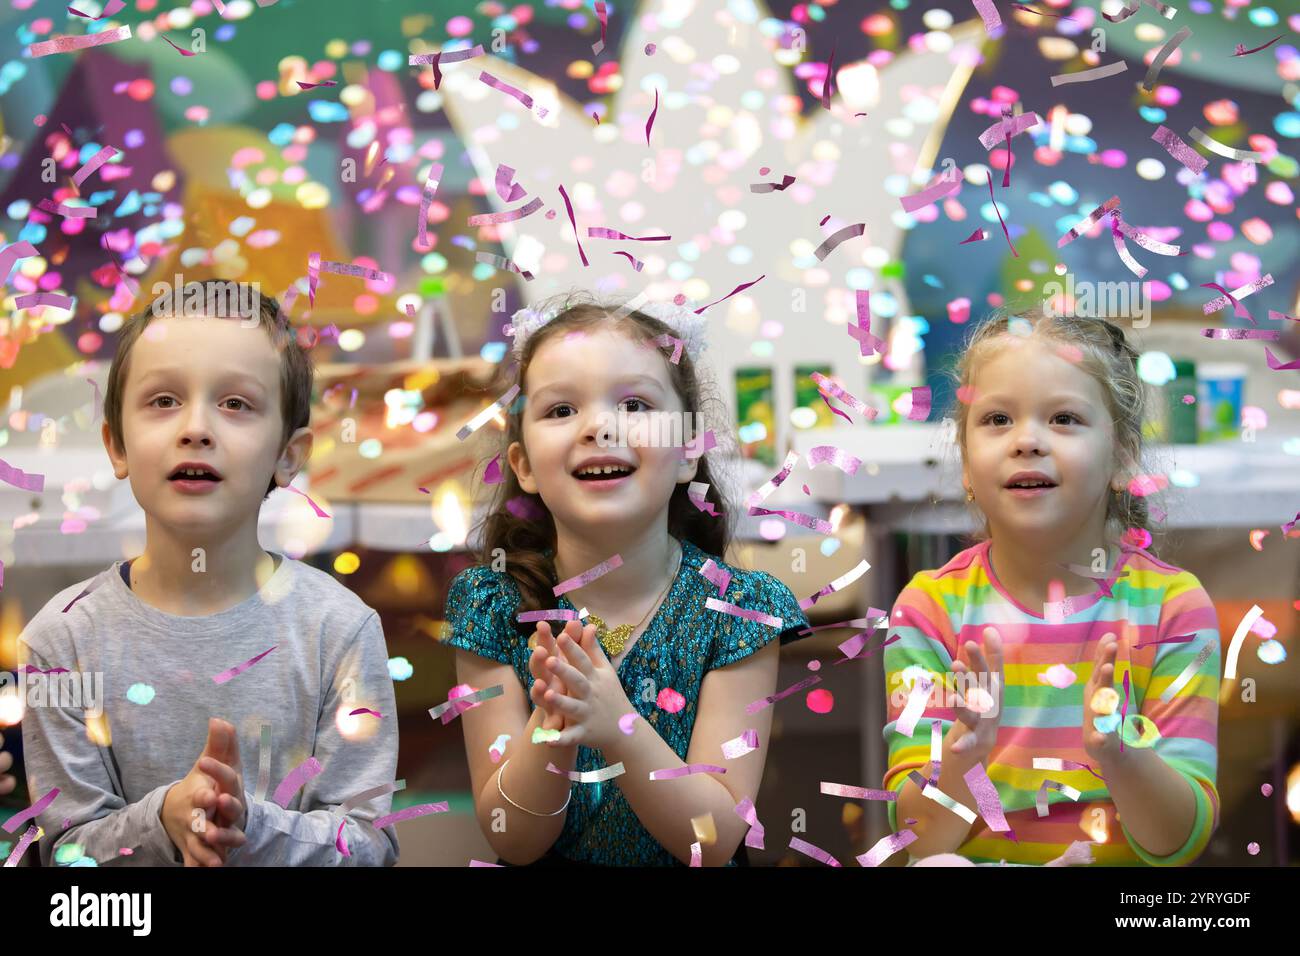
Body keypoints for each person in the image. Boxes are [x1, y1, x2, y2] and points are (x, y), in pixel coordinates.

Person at [18, 280, 399, 866]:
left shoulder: (341, 631)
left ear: (287, 456)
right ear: (116, 445)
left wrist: (250, 826)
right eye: (163, 401)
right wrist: (165, 820)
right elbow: (64, 852)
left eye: (236, 404)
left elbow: (370, 845)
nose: (196, 428)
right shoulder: (60, 640)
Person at [445, 292, 810, 865]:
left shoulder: (741, 610)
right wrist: (555, 722)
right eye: (561, 410)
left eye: (635, 404)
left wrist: (617, 725)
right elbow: (510, 838)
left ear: (690, 451)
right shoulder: (490, 605)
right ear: (523, 467)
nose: (597, 426)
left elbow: (711, 842)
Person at [882, 307, 1219, 865]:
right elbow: (920, 842)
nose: (1027, 441)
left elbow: (1177, 842)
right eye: (996, 420)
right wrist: (966, 757)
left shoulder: (1173, 608)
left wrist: (1117, 754)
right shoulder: (929, 609)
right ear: (966, 464)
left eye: (1063, 418)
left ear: (1123, 458)